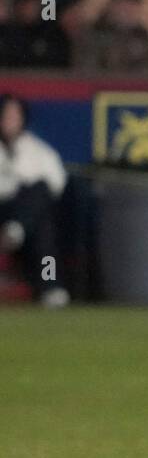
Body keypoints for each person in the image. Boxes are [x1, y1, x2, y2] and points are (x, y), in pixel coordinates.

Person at [0, 94, 69, 307]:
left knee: (43, 223)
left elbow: (56, 181)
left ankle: (50, 285)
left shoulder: (37, 150)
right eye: (6, 115)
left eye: (15, 116)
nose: (11, 120)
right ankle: (16, 228)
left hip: (26, 217)